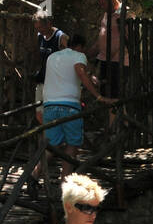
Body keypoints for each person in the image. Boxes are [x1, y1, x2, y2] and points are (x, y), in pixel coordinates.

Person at [40, 33, 110, 179]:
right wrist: (98, 96)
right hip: (69, 107)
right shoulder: (79, 56)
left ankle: (34, 174)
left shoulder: (52, 57)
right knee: (72, 144)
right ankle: (64, 181)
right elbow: (80, 72)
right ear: (80, 47)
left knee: (52, 146)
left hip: (49, 105)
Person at [32, 11, 67, 127]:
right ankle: (51, 138)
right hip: (42, 80)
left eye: (41, 27)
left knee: (53, 113)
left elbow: (73, 56)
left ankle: (55, 139)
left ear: (48, 23)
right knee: (39, 113)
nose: (39, 30)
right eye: (37, 28)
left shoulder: (60, 37)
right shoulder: (40, 37)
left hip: (55, 83)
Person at [93, 0, 126, 106]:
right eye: (100, 5)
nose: (102, 8)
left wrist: (110, 54)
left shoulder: (125, 13)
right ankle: (111, 122)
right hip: (105, 60)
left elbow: (127, 39)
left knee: (115, 97)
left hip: (117, 62)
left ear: (113, 0)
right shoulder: (107, 13)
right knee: (105, 95)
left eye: (103, 4)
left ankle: (118, 123)